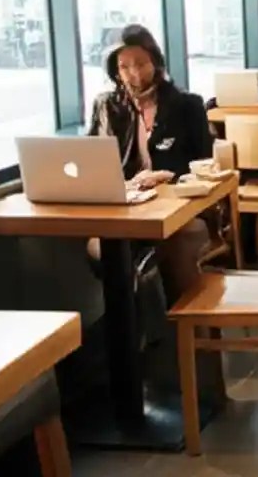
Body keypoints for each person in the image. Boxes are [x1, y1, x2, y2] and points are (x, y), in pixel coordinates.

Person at [88, 24, 213, 304]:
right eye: (124, 67)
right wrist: (129, 185)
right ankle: (134, 321)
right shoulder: (106, 107)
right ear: (115, 72)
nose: (134, 73)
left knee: (177, 239)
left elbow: (205, 166)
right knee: (101, 247)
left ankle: (186, 324)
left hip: (180, 207)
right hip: (127, 209)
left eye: (141, 63)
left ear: (156, 62)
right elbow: (93, 163)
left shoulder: (187, 105)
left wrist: (168, 178)